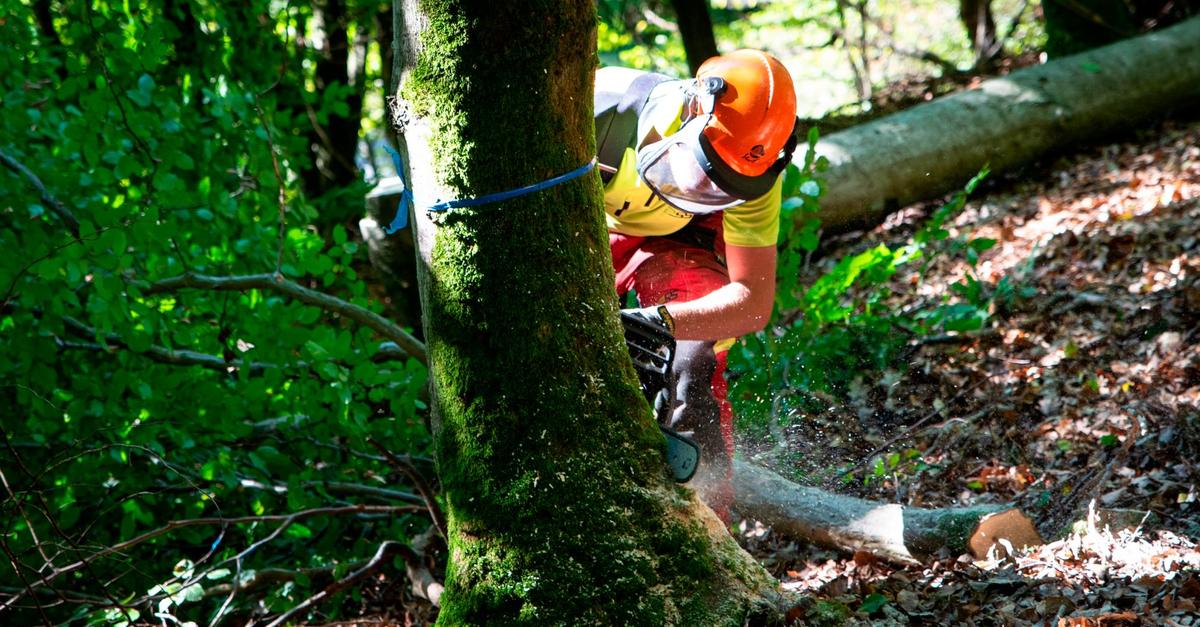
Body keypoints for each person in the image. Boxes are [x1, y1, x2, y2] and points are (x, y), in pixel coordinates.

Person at [595, 50, 799, 522]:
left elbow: (751, 301)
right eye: (703, 174)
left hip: (682, 239)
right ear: (693, 108)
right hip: (591, 225)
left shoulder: (755, 173)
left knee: (692, 355)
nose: (705, 192)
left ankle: (708, 518)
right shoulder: (602, 112)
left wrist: (661, 324)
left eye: (723, 188)